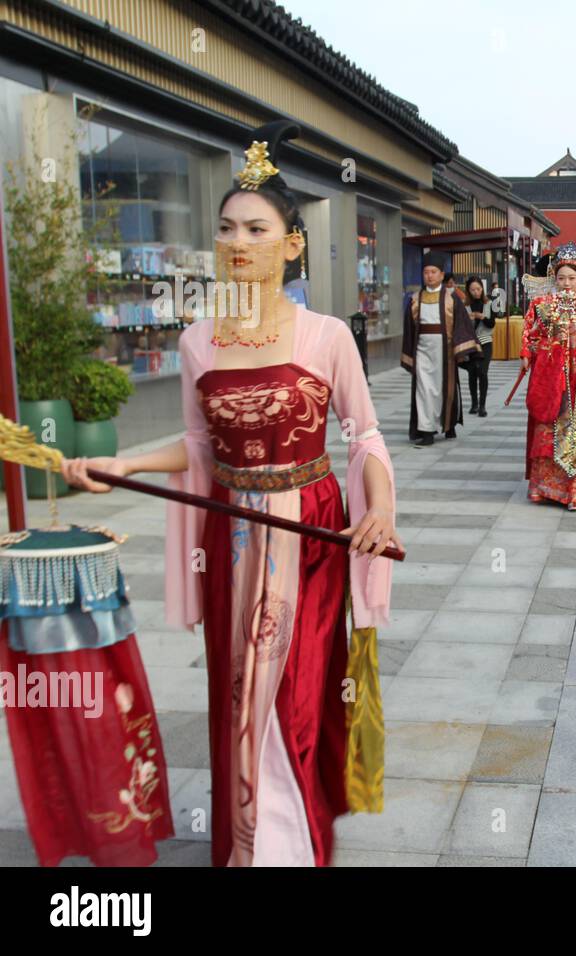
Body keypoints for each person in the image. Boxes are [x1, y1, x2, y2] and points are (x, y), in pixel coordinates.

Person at [62, 121, 399, 867]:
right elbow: (201, 448)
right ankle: (245, 843)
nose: (236, 242)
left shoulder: (325, 335)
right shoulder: (196, 341)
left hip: (309, 532)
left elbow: (364, 437)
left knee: (297, 689)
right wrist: (118, 464)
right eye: (224, 229)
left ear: (292, 244)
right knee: (239, 688)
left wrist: (377, 508)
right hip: (231, 537)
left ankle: (291, 846)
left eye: (256, 228)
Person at [520, 244, 576, 510]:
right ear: (553, 278)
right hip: (552, 379)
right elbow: (529, 334)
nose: (567, 283)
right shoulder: (541, 305)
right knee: (550, 428)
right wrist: (528, 352)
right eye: (561, 278)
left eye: (572, 278)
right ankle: (549, 489)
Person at [401, 254, 481, 445]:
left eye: (433, 272)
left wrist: (461, 350)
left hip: (444, 352)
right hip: (422, 351)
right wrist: (409, 354)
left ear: (441, 274)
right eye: (426, 272)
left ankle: (448, 423)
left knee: (445, 387)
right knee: (423, 389)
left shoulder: (451, 298)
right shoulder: (415, 299)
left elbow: (462, 324)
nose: (429, 276)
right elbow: (409, 329)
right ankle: (427, 431)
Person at [464, 275, 495, 417]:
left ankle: (482, 406)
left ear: (482, 288)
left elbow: (492, 324)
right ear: (468, 291)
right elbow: (462, 327)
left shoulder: (489, 303)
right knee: (472, 372)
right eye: (472, 290)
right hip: (471, 343)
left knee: (483, 372)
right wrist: (469, 319)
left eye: (478, 289)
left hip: (486, 341)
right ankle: (474, 404)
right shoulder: (465, 306)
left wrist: (482, 317)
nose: (476, 292)